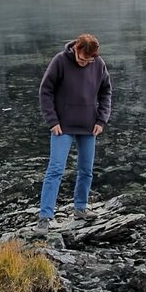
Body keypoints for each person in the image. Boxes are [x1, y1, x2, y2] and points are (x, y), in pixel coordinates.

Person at [37, 33, 112, 231]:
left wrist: (101, 119)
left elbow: (106, 92)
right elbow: (45, 91)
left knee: (86, 170)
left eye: (89, 60)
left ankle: (80, 208)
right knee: (55, 170)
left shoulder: (99, 64)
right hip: (62, 127)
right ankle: (45, 216)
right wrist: (52, 120)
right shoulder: (60, 61)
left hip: (89, 126)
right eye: (82, 58)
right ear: (76, 49)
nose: (85, 63)